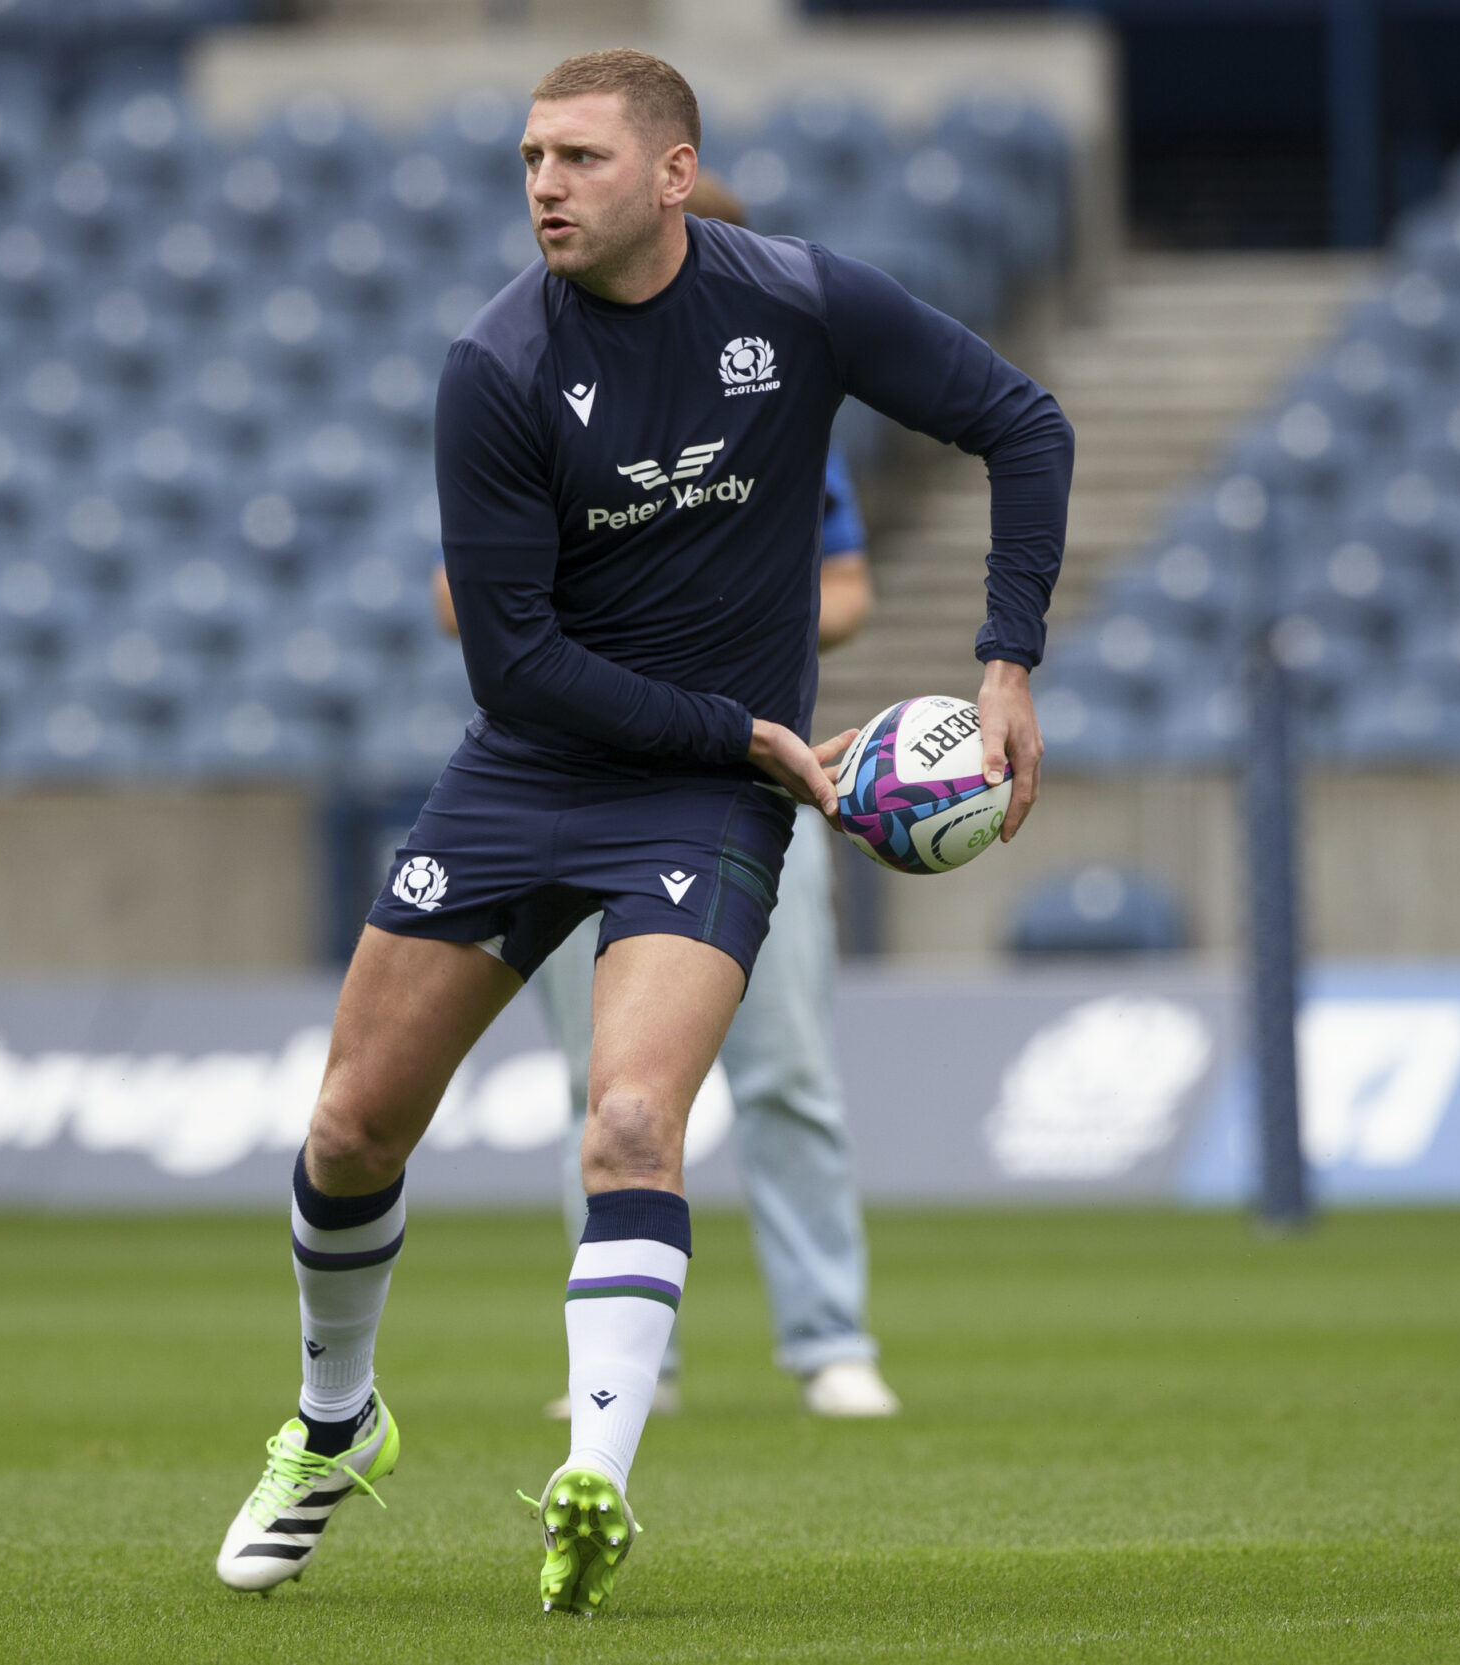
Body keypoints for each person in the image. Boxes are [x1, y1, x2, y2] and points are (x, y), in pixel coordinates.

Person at [215, 48, 1071, 1616]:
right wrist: (737, 727)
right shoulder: (495, 368)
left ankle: (594, 1476)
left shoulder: (799, 303)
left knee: (629, 1124)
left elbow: (1023, 423)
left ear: (674, 175)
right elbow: (509, 658)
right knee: (349, 1128)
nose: (544, 184)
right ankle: (337, 1421)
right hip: (534, 768)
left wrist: (1004, 661)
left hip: (703, 795)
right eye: (532, 157)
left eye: (582, 158)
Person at [430, 172, 896, 1423]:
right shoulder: (535, 393)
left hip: (749, 779)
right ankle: (636, 1371)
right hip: (576, 785)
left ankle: (829, 1341)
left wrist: (732, 623)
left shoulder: (787, 416)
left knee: (787, 1068)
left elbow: (845, 586)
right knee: (606, 1087)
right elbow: (462, 599)